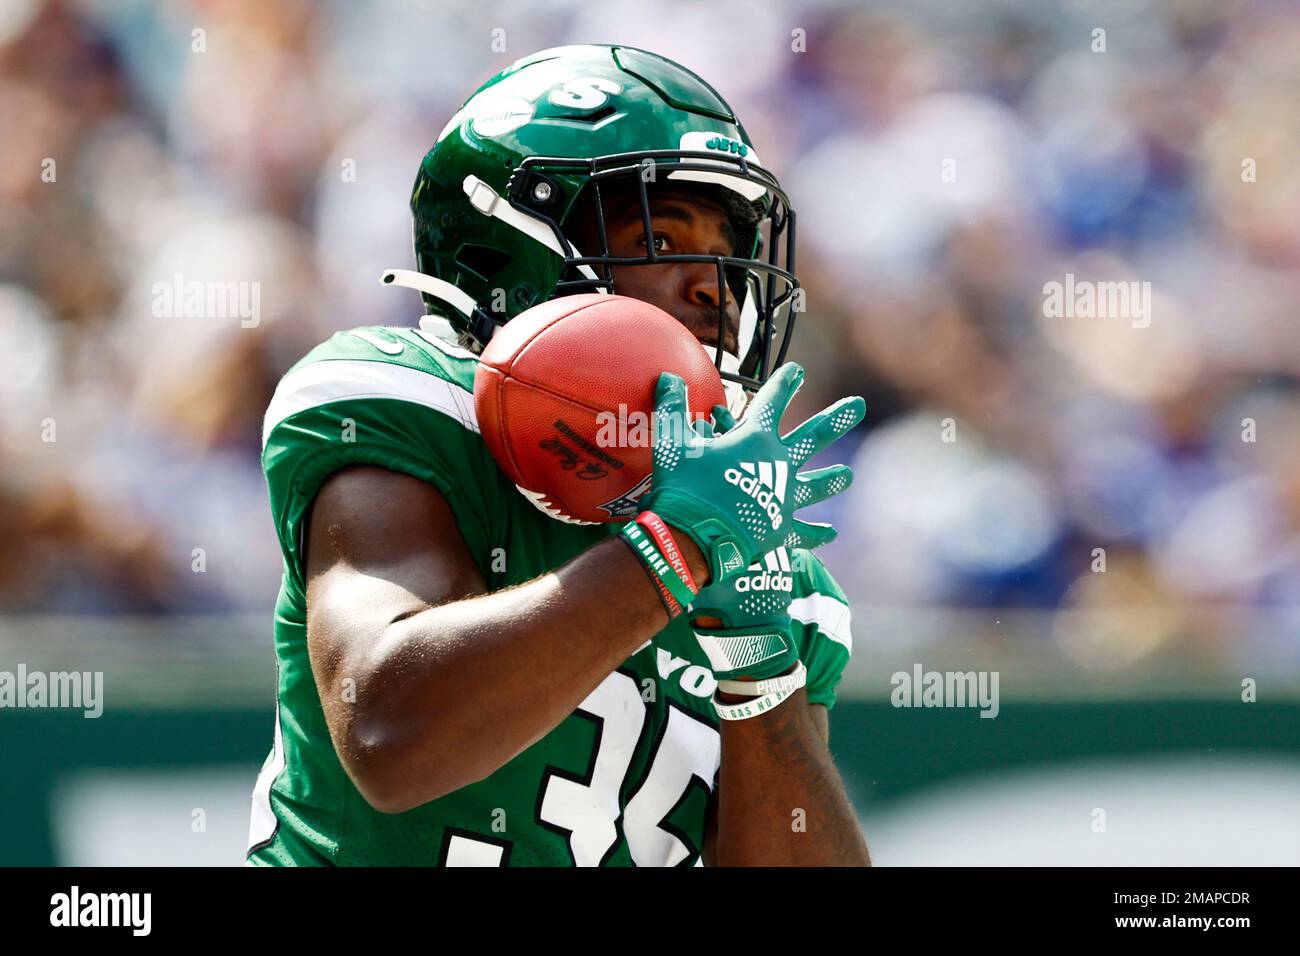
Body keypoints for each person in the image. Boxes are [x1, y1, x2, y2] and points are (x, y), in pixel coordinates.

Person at [248, 44, 869, 866]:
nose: (714, 285)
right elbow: (391, 731)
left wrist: (758, 662)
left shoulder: (775, 563)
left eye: (723, 252)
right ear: (516, 250)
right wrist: (673, 554)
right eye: (663, 234)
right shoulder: (409, 406)